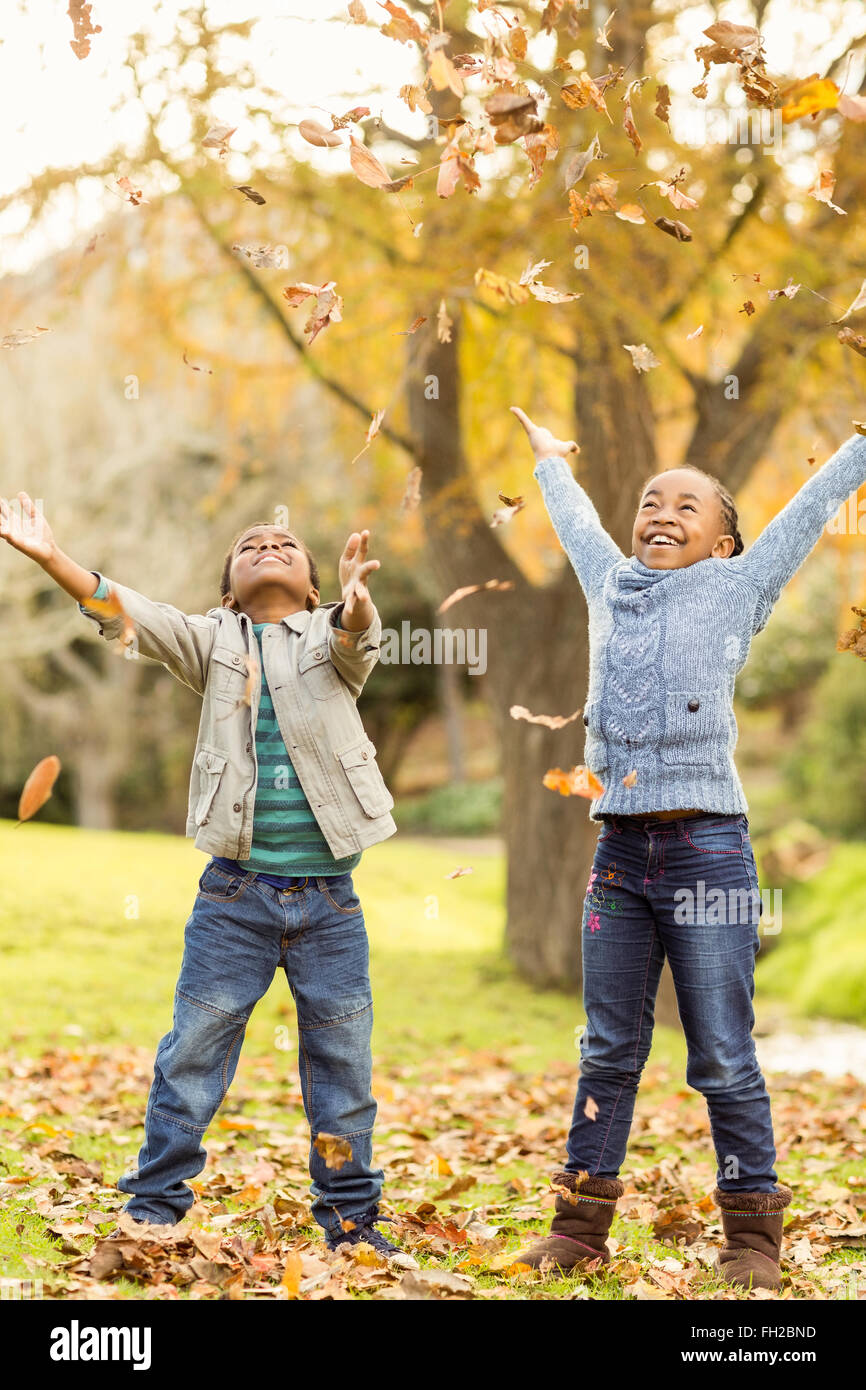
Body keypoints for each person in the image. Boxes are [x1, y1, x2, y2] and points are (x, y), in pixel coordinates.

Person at [509, 406, 866, 1290]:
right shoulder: (610, 582)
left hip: (708, 850)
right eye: (651, 501)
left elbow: (808, 510)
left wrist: (859, 445)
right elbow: (580, 524)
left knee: (721, 1049)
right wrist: (552, 462)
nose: (661, 513)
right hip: (619, 858)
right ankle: (580, 1227)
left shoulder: (738, 586)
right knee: (607, 1047)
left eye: (686, 507)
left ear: (723, 541)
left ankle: (752, 1238)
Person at [0, 497, 406, 1259]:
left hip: (331, 904)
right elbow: (128, 610)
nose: (268, 545)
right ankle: (154, 1208)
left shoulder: (332, 632)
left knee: (343, 1064)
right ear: (227, 589)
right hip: (234, 898)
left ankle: (352, 1221)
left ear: (315, 587)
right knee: (193, 1051)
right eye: (250, 544)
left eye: (285, 543)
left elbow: (359, 644)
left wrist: (355, 606)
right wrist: (52, 558)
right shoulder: (210, 640)